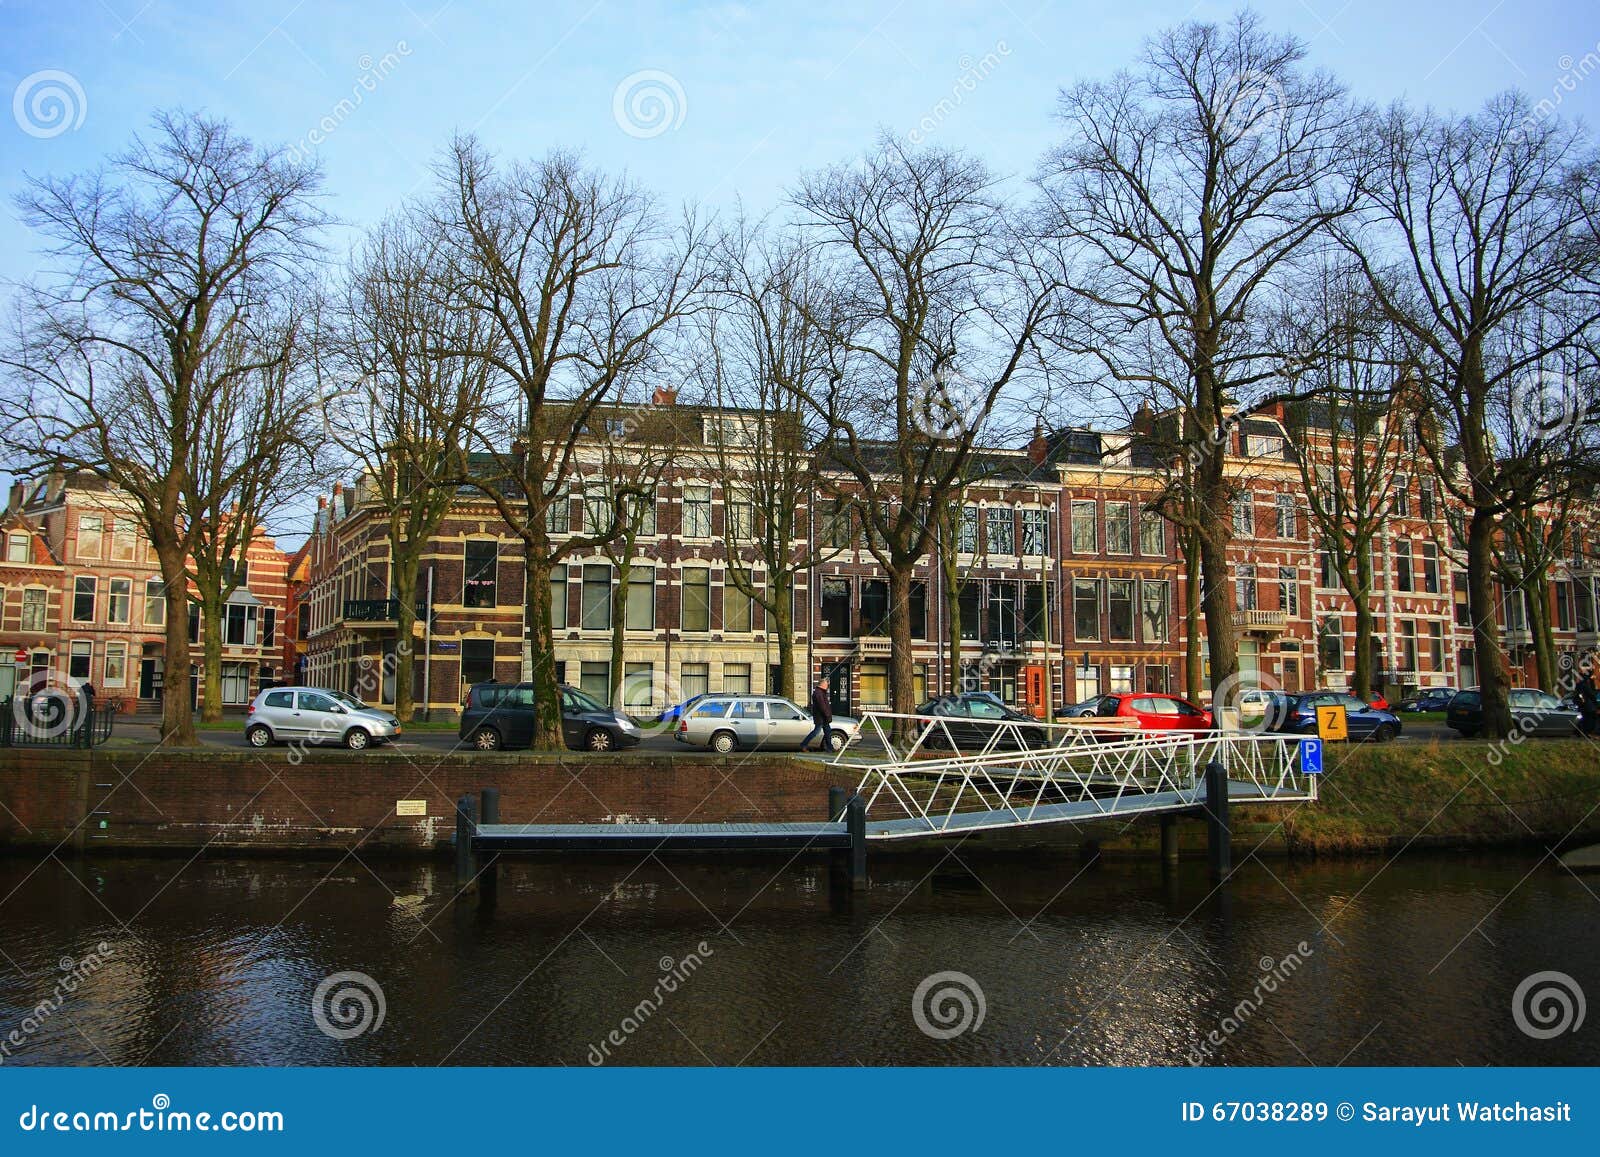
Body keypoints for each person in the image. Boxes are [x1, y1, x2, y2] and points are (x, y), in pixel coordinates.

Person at [803, 675, 834, 754]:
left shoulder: (820, 692)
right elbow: (822, 706)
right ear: (822, 684)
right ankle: (803, 744)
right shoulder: (819, 693)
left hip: (823, 717)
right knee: (816, 732)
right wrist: (827, 715)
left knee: (828, 732)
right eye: (827, 684)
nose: (827, 686)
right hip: (821, 717)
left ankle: (830, 748)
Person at [1574, 667, 1599, 736]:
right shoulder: (1585, 684)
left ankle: (1582, 732)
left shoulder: (1579, 685)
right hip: (1587, 706)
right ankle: (1587, 732)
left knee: (1584, 719)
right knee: (1589, 719)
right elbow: (1591, 695)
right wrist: (1595, 703)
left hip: (1582, 705)